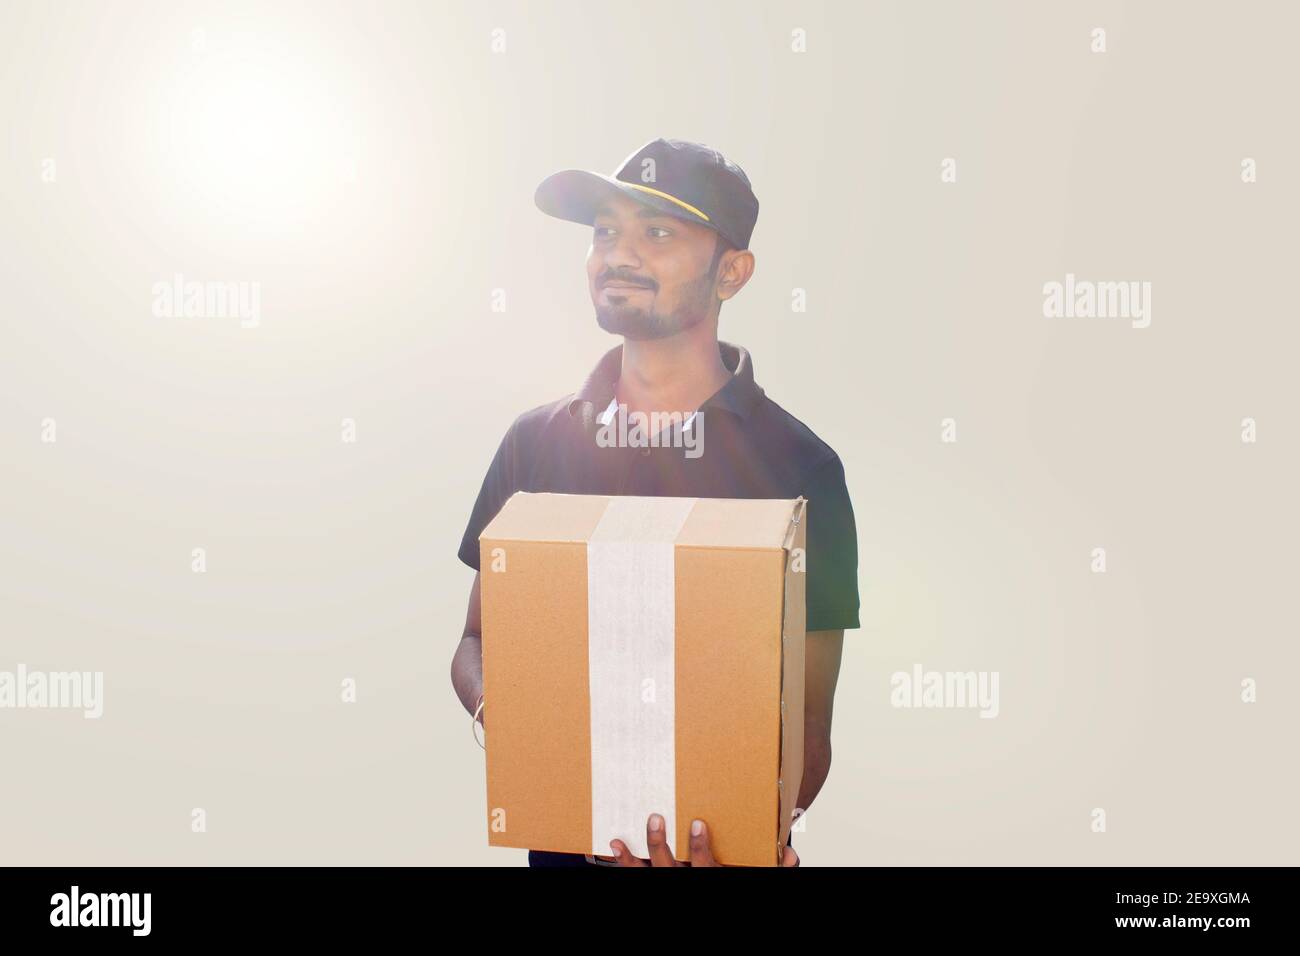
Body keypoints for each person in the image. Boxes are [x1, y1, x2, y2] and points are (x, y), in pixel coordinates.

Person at [451, 138, 859, 867]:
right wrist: (505, 712)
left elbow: (809, 719)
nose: (618, 253)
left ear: (732, 272)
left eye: (658, 232)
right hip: (565, 843)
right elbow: (477, 643)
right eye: (605, 230)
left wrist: (751, 829)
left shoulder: (801, 468)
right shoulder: (535, 445)